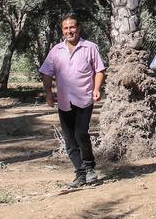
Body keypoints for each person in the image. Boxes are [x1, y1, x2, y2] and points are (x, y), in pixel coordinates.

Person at [39, 14, 106, 188]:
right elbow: (47, 72)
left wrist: (96, 88)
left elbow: (99, 70)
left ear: (79, 28)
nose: (69, 31)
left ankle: (90, 168)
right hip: (63, 101)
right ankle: (80, 174)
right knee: (69, 140)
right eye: (66, 28)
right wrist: (48, 93)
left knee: (81, 134)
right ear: (62, 31)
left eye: (72, 27)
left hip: (84, 99)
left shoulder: (90, 47)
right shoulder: (56, 50)